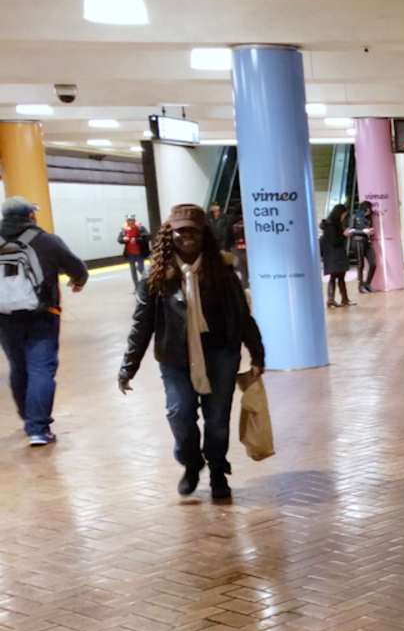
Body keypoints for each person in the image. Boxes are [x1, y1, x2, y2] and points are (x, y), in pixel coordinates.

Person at [118, 204, 264, 501]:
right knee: (179, 412)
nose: (187, 236)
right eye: (180, 231)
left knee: (217, 416)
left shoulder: (222, 271)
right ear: (169, 234)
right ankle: (191, 462)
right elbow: (142, 323)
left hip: (220, 353)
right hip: (174, 357)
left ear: (203, 234)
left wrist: (257, 354)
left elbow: (242, 315)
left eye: (193, 231)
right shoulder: (157, 275)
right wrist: (128, 366)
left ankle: (218, 470)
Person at [0, 197, 88, 446]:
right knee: (41, 368)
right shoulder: (46, 240)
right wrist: (78, 281)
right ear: (30, 216)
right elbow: (77, 268)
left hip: (4, 317)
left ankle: (27, 417)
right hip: (42, 315)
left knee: (18, 367)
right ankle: (38, 428)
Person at [320, 205, 354, 308]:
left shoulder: (332, 225)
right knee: (335, 276)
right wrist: (344, 235)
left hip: (334, 255)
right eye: (343, 215)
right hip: (334, 255)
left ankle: (343, 299)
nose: (343, 217)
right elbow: (335, 241)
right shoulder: (331, 227)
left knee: (339, 276)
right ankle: (332, 300)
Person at [348, 200, 378, 294]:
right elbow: (351, 230)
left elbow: (370, 227)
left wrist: (370, 231)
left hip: (367, 242)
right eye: (367, 210)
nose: (368, 212)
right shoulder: (355, 216)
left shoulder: (369, 218)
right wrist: (363, 231)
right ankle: (360, 285)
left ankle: (367, 283)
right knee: (360, 264)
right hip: (357, 241)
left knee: (373, 263)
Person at [117, 215, 150, 289]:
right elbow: (119, 239)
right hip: (130, 253)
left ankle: (148, 281)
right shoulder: (124, 229)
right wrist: (123, 239)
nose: (131, 223)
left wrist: (137, 240)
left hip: (139, 252)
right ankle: (137, 287)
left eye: (132, 221)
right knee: (133, 270)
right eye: (129, 221)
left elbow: (147, 237)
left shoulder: (140, 228)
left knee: (140, 268)